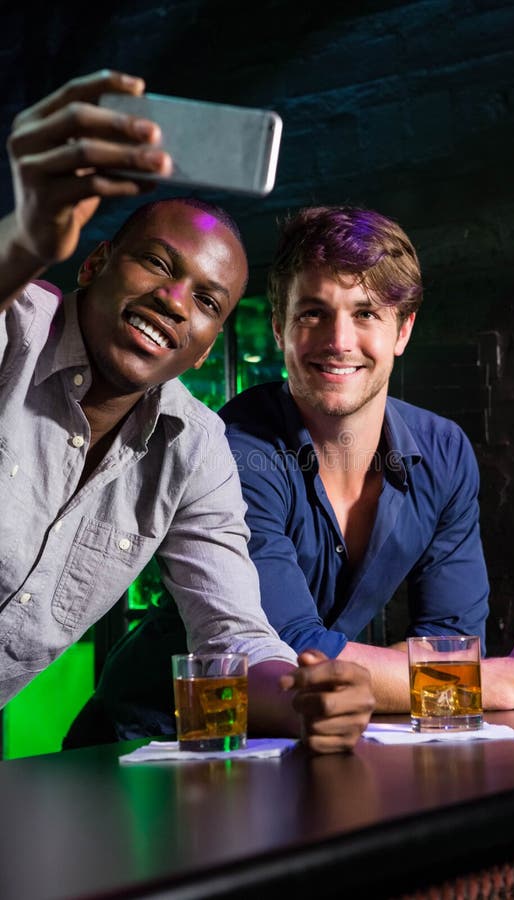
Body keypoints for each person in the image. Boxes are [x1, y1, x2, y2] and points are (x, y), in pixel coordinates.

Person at [67, 200, 514, 741]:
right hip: (155, 732)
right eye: (313, 313)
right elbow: (293, 647)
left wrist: (393, 675)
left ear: (403, 331)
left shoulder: (443, 452)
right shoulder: (236, 443)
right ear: (279, 328)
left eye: (366, 313)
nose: (338, 341)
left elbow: (451, 642)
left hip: (305, 736)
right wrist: (513, 682)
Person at [0, 69, 376, 754]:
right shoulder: (15, 328)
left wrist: (304, 700)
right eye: (155, 264)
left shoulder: (196, 449)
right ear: (93, 266)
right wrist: (25, 237)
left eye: (207, 302)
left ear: (206, 350)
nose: (176, 301)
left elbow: (233, 630)